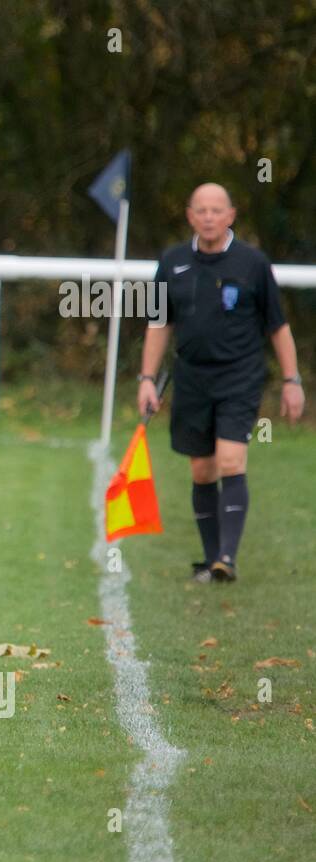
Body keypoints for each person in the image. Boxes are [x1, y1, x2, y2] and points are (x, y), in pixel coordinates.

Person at [138, 183, 304, 583]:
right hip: (191, 377)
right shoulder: (172, 261)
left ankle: (227, 559)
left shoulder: (253, 263)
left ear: (231, 215)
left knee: (231, 459)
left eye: (217, 210)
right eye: (201, 210)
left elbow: (277, 327)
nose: (209, 216)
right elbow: (159, 323)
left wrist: (291, 380)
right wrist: (146, 378)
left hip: (239, 376)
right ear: (190, 215)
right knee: (201, 470)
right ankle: (212, 559)